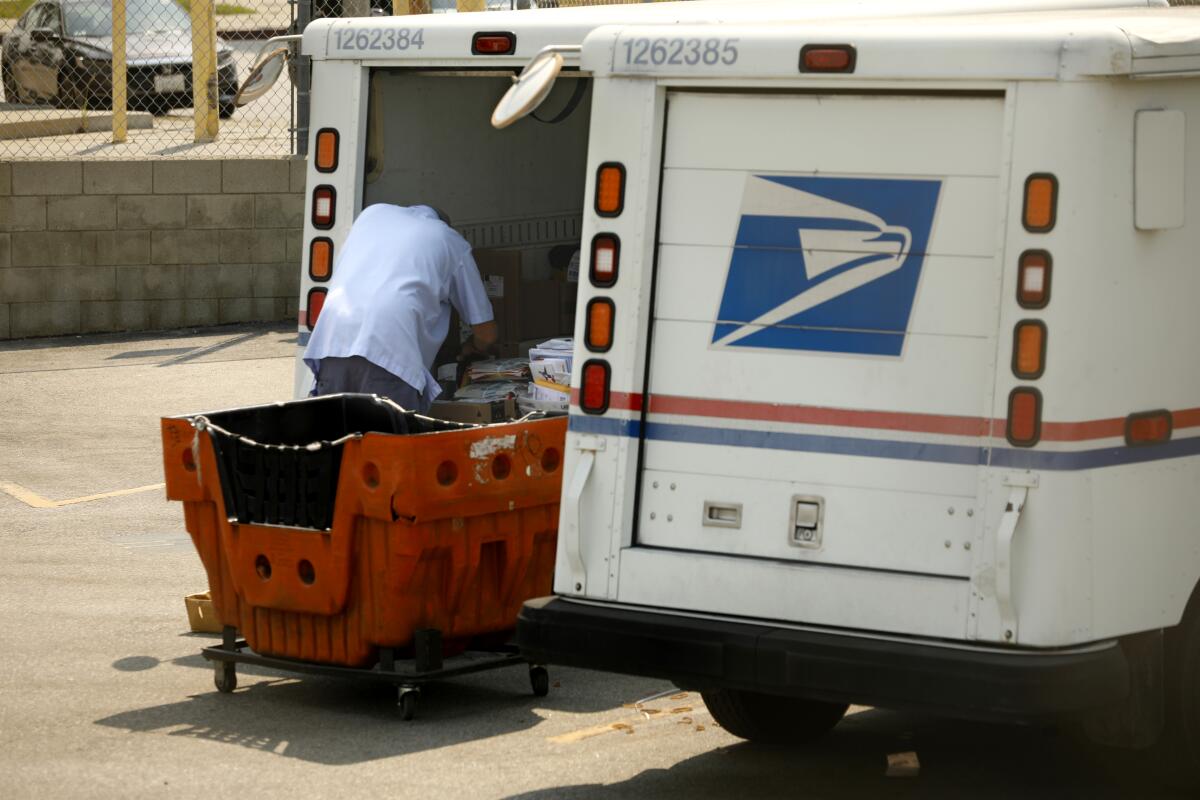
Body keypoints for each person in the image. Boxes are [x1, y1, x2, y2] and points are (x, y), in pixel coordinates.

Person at [303, 204, 498, 412]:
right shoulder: (449, 239)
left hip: (331, 343)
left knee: (336, 438)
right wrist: (472, 348)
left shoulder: (371, 214)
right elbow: (487, 334)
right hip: (389, 355)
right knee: (388, 441)